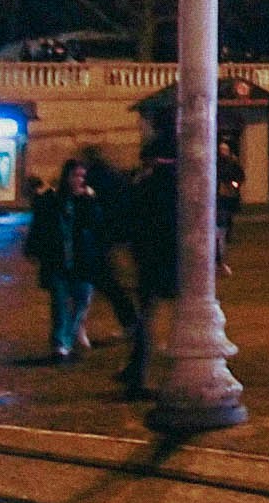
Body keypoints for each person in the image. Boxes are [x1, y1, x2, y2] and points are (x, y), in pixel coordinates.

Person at [105, 145, 181, 398]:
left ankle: (140, 373)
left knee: (149, 318)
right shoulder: (178, 183)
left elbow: (131, 219)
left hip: (151, 258)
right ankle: (142, 374)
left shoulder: (148, 183)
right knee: (156, 319)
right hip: (169, 259)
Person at [27, 158, 106, 362]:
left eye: (83, 176)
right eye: (76, 175)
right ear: (66, 177)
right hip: (58, 260)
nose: (80, 180)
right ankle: (61, 344)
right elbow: (39, 228)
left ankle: (67, 339)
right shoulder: (51, 200)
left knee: (82, 301)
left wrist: (89, 201)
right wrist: (34, 250)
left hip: (83, 261)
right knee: (60, 304)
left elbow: (97, 226)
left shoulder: (88, 200)